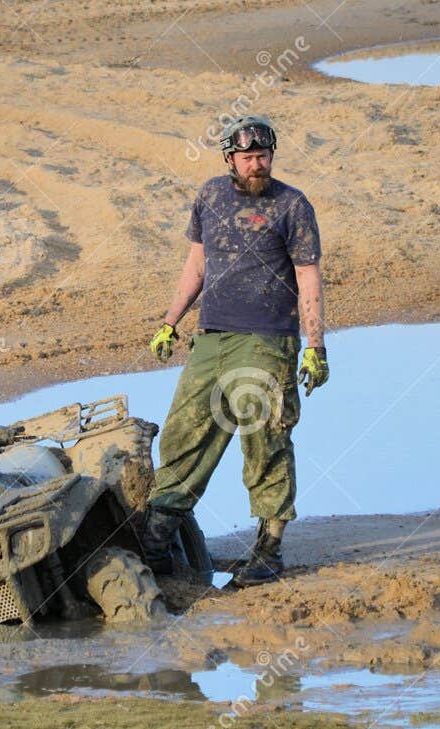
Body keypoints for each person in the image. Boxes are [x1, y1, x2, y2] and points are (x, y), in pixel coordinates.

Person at [138, 114, 328, 587]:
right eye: (248, 157)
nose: (257, 164)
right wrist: (169, 323)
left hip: (268, 341)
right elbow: (196, 266)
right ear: (230, 159)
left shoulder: (293, 205)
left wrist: (315, 347)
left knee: (264, 438)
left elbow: (309, 279)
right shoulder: (209, 197)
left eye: (263, 156)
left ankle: (268, 551)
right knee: (184, 433)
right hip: (212, 337)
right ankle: (156, 545)